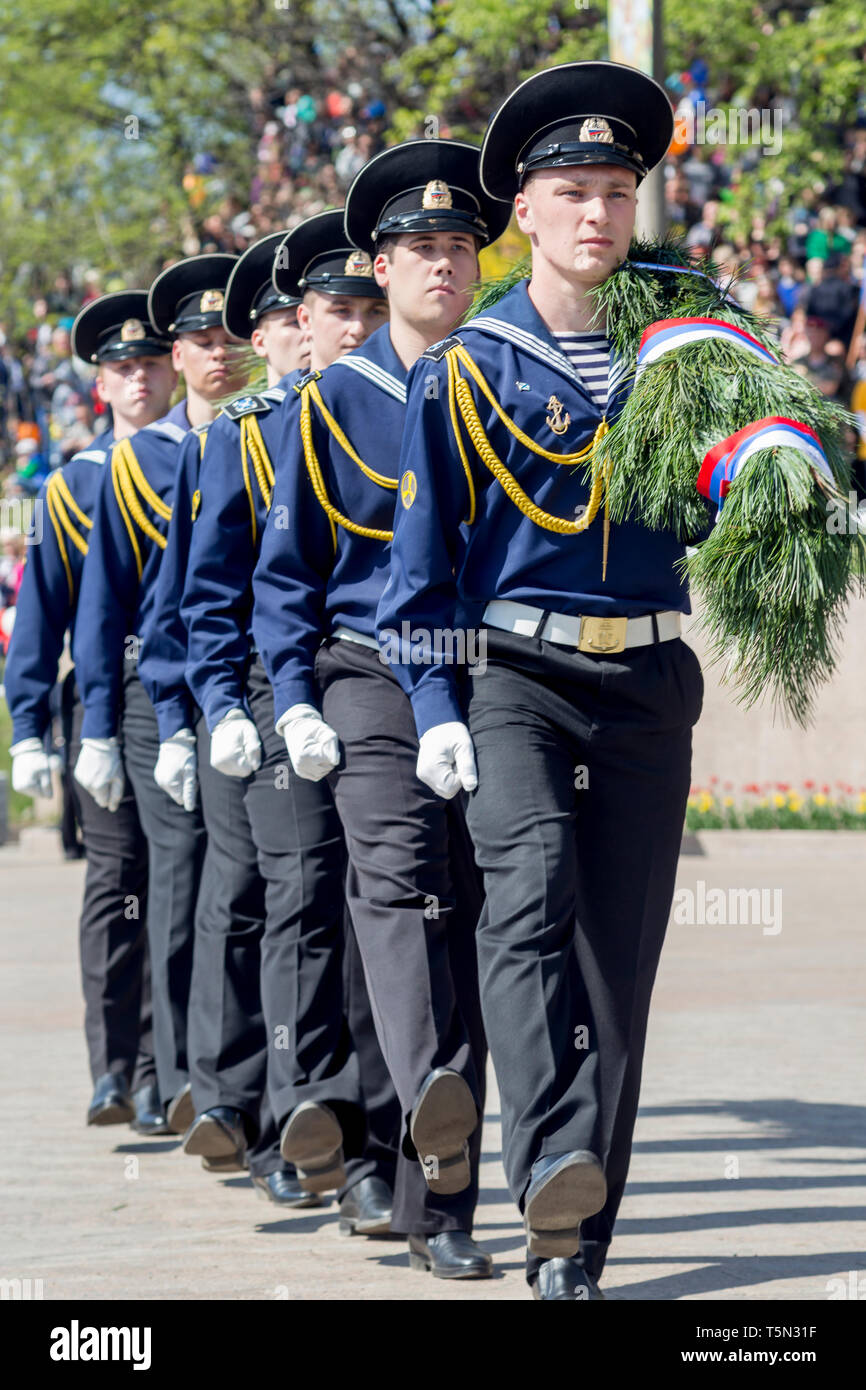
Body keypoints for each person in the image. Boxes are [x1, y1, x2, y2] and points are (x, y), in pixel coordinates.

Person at [378, 61, 705, 1300]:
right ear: (522, 209)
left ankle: (574, 1241)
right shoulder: (466, 367)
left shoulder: (684, 353)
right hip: (515, 674)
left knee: (618, 967)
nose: (596, 217)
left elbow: (750, 474)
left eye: (617, 194)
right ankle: (551, 1151)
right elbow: (419, 575)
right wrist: (431, 711)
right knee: (525, 904)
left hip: (647, 682)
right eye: (572, 192)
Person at [252, 141, 511, 1278]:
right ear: (380, 265)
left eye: (458, 247)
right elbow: (283, 575)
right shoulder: (332, 404)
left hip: (494, 675)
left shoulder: (503, 377)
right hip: (368, 674)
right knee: (400, 887)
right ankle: (429, 1139)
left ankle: (436, 1196)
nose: (440, 266)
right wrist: (294, 698)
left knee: (476, 916)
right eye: (418, 249)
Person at [182, 212, 402, 1229]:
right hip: (281, 697)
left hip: (386, 688)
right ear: (298, 325)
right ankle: (293, 1109)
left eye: (368, 305)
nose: (354, 327)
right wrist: (225, 703)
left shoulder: (419, 411)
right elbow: (214, 592)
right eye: (336, 311)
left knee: (381, 909)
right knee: (302, 891)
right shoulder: (251, 433)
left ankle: (361, 1137)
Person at [137, 232, 318, 1204]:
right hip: (237, 688)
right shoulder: (228, 437)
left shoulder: (354, 414)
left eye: (309, 316)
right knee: (241, 884)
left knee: (303, 891)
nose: (299, 332)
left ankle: (290, 1111)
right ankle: (227, 1099)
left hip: (331, 688)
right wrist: (184, 713)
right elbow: (185, 597)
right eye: (284, 319)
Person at [72, 255, 239, 1135]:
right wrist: (74, 726)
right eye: (198, 342)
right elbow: (90, 613)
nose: (139, 376)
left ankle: (198, 1072)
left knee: (221, 883)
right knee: (139, 881)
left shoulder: (254, 434)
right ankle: (143, 1070)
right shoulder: (108, 475)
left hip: (245, 691)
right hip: (149, 695)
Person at [6, 291, 177, 1133]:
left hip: (178, 694)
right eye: (121, 368)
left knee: (179, 883)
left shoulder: (201, 457)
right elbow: (40, 612)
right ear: (99, 385)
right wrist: (28, 724)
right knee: (117, 886)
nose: (137, 377)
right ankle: (113, 1067)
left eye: (149, 362)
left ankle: (160, 1070)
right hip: (99, 702)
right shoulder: (70, 487)